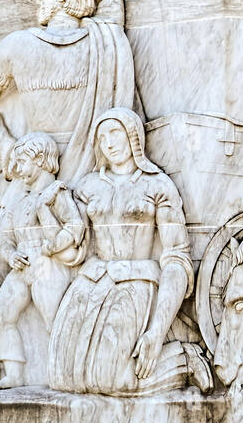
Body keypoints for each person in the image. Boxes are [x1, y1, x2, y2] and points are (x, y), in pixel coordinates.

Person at [0, 0, 139, 386]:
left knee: (4, 277)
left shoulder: (87, 42)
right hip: (52, 179)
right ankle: (8, 363)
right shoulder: (102, 40)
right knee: (3, 275)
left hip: (68, 184)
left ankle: (15, 363)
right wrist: (12, 152)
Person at [48, 108, 195, 395]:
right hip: (90, 284)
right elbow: (75, 245)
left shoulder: (158, 185)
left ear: (133, 136)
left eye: (115, 133)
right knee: (62, 376)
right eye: (102, 138)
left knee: (112, 378)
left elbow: (177, 257)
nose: (109, 143)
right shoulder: (88, 186)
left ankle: (183, 359)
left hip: (136, 283)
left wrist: (157, 331)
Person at [0, 132, 85, 389]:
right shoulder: (20, 201)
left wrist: (54, 245)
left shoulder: (56, 193)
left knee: (54, 323)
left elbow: (75, 226)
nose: (17, 170)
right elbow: (6, 240)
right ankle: (14, 374)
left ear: (39, 160)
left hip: (48, 266)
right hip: (23, 266)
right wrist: (10, 255)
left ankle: (65, 375)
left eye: (22, 162)